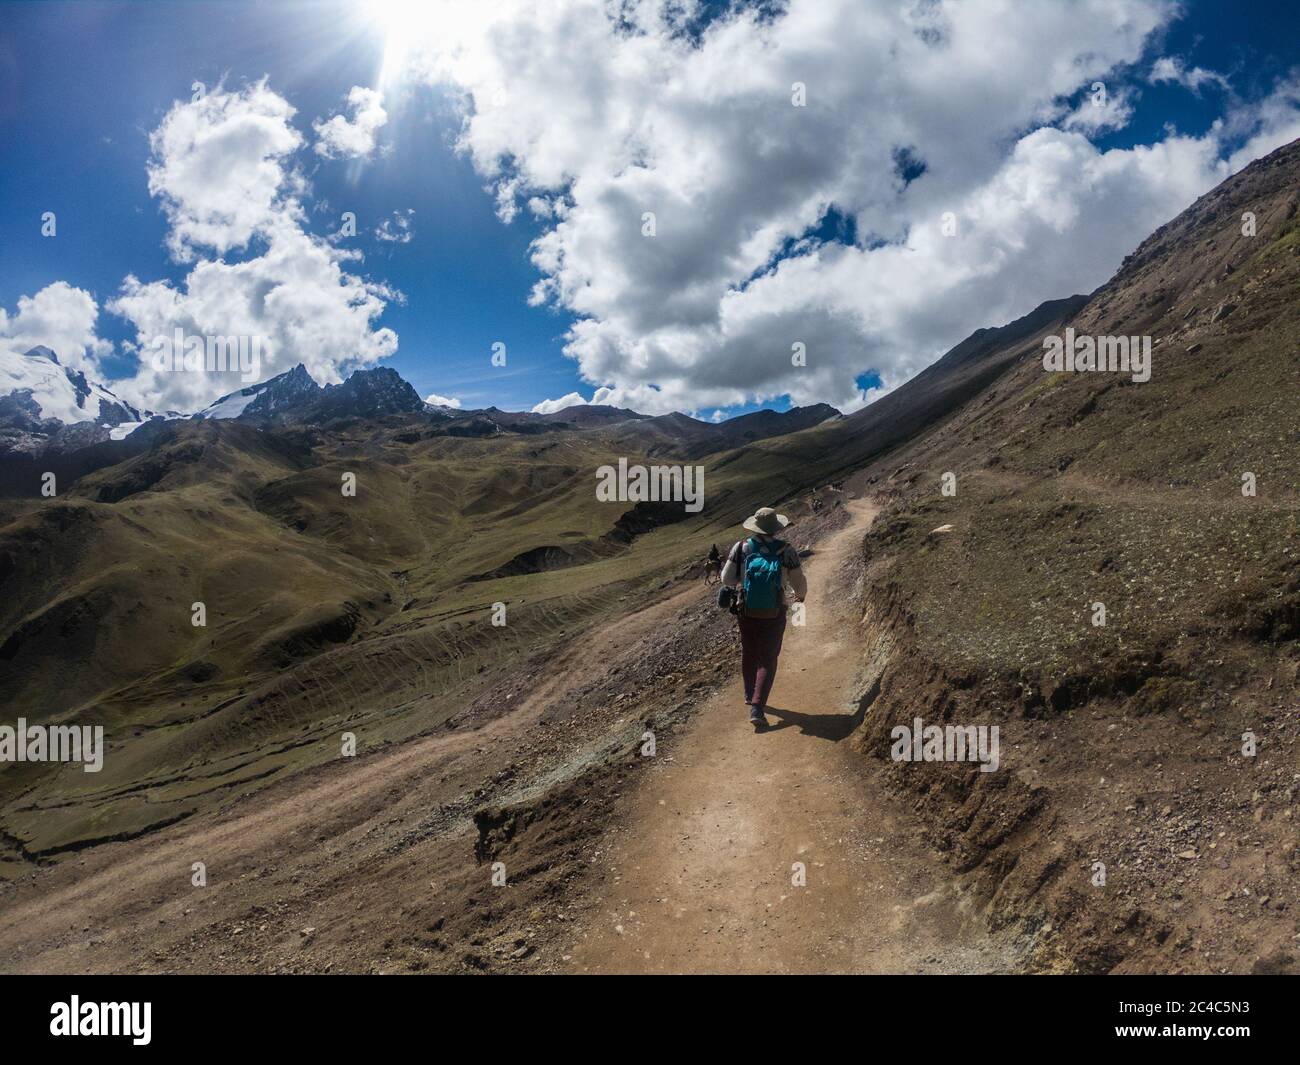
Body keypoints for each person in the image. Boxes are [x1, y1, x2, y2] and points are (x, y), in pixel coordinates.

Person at [720, 507, 807, 731]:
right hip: (774, 612)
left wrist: (745, 580)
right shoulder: (786, 550)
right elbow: (799, 582)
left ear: (755, 527)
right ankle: (757, 707)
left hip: (746, 610)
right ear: (776, 528)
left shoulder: (741, 547)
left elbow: (726, 579)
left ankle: (749, 694)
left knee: (749, 651)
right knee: (768, 658)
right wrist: (800, 599)